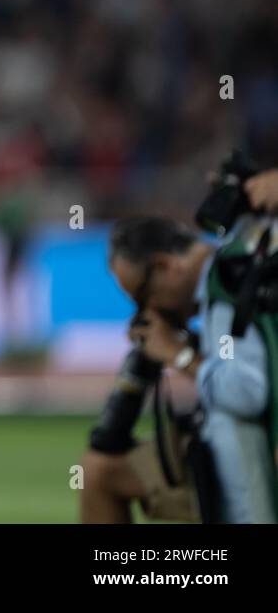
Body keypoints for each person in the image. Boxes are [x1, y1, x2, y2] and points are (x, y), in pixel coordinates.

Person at [83, 177, 278, 523]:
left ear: (165, 266)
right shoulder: (237, 267)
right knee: (100, 472)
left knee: (99, 474)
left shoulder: (228, 285)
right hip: (238, 457)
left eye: (143, 297)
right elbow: (241, 355)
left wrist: (178, 354)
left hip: (249, 468)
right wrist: (195, 347)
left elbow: (247, 390)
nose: (149, 311)